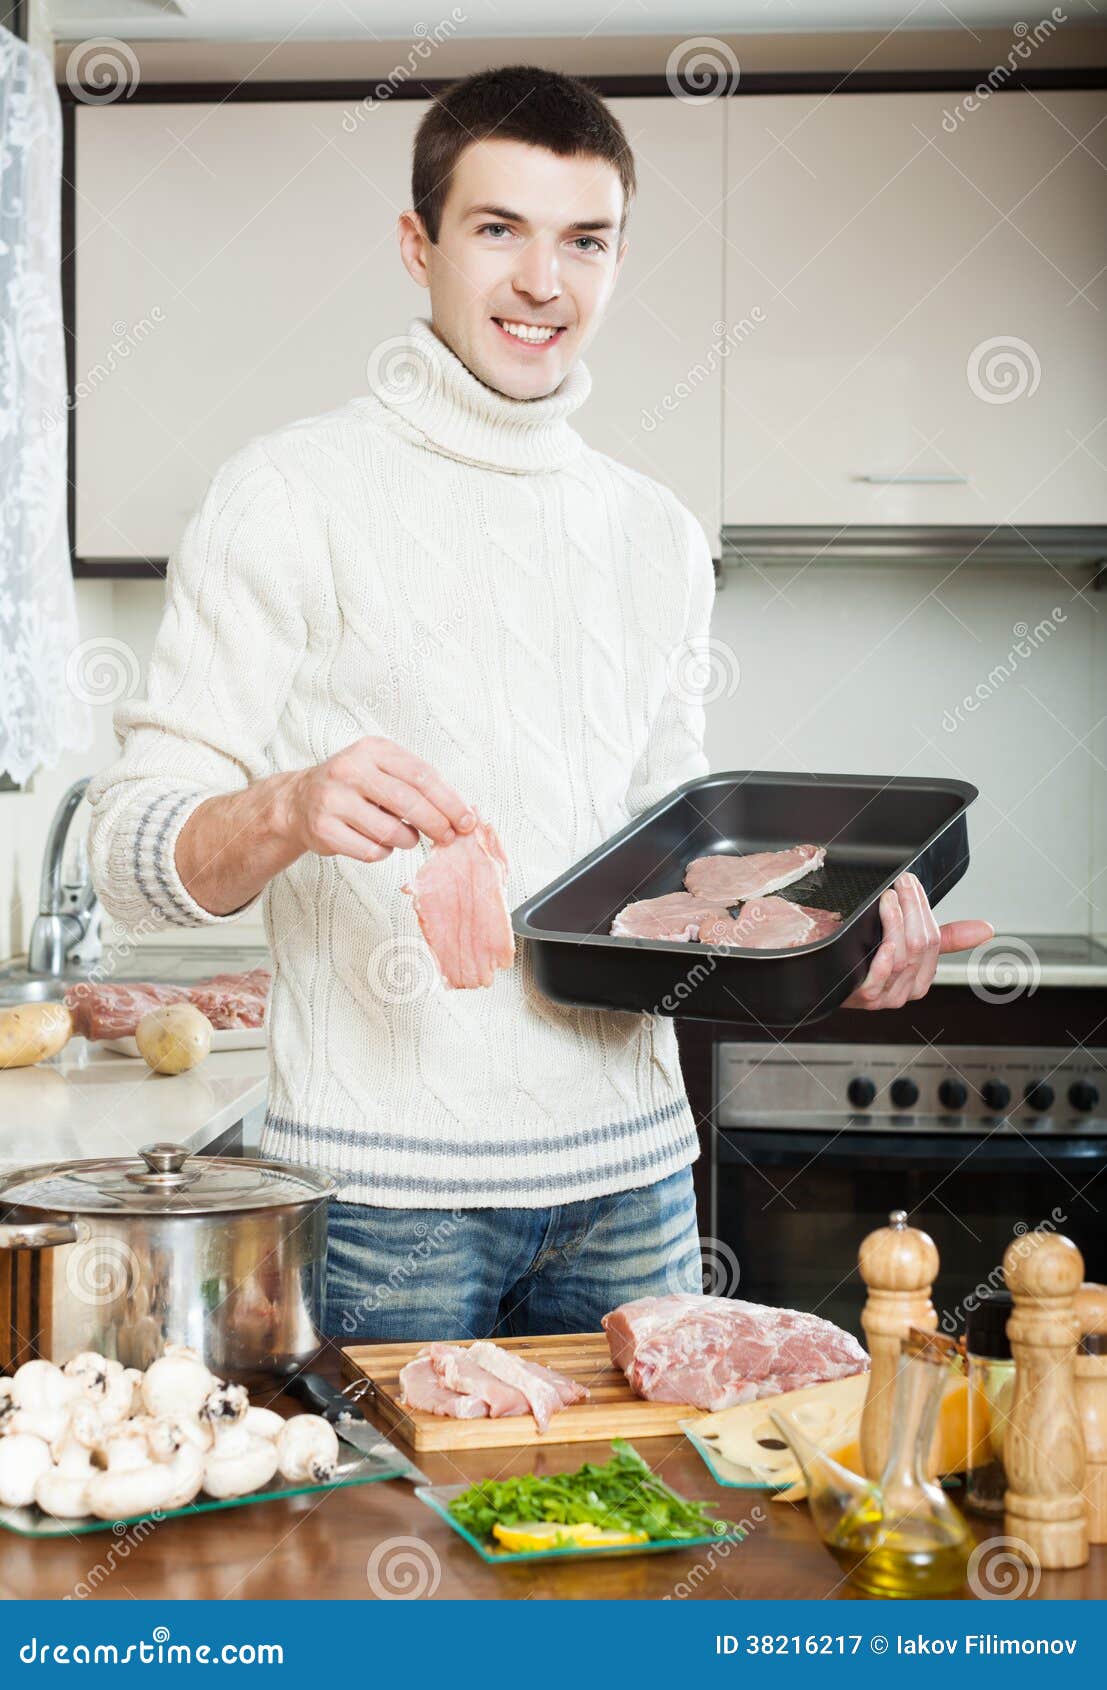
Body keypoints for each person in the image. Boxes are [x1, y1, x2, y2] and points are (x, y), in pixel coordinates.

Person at [87, 66, 994, 1345]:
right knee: (380, 1543)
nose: (542, 283)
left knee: (656, 1533)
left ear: (618, 259)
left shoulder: (658, 533)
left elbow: (673, 866)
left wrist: (823, 959)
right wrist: (289, 806)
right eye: (498, 229)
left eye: (585, 240)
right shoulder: (286, 494)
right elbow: (122, 859)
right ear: (421, 245)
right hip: (379, 1199)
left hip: (631, 1185)